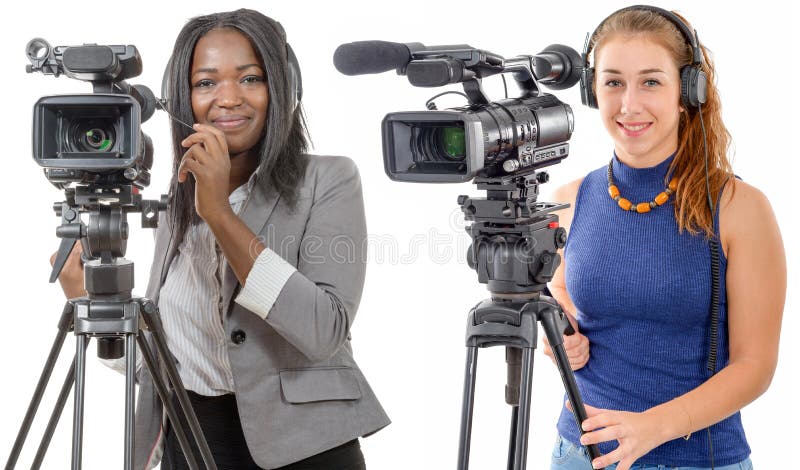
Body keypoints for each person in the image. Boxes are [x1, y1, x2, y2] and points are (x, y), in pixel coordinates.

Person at [52, 8, 390, 470]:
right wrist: (88, 301)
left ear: (282, 87)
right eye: (206, 83)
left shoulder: (328, 179)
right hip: (188, 444)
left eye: (250, 78)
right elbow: (167, 368)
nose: (228, 99)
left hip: (305, 450)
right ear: (183, 99)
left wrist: (219, 212)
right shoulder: (177, 200)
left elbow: (323, 331)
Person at [542, 5, 785, 470]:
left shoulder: (739, 209)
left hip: (697, 460)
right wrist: (562, 341)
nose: (629, 104)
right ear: (592, 91)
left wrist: (654, 427)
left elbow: (755, 367)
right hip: (578, 454)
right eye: (613, 82)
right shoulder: (569, 200)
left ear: (686, 92)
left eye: (650, 81)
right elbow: (562, 304)